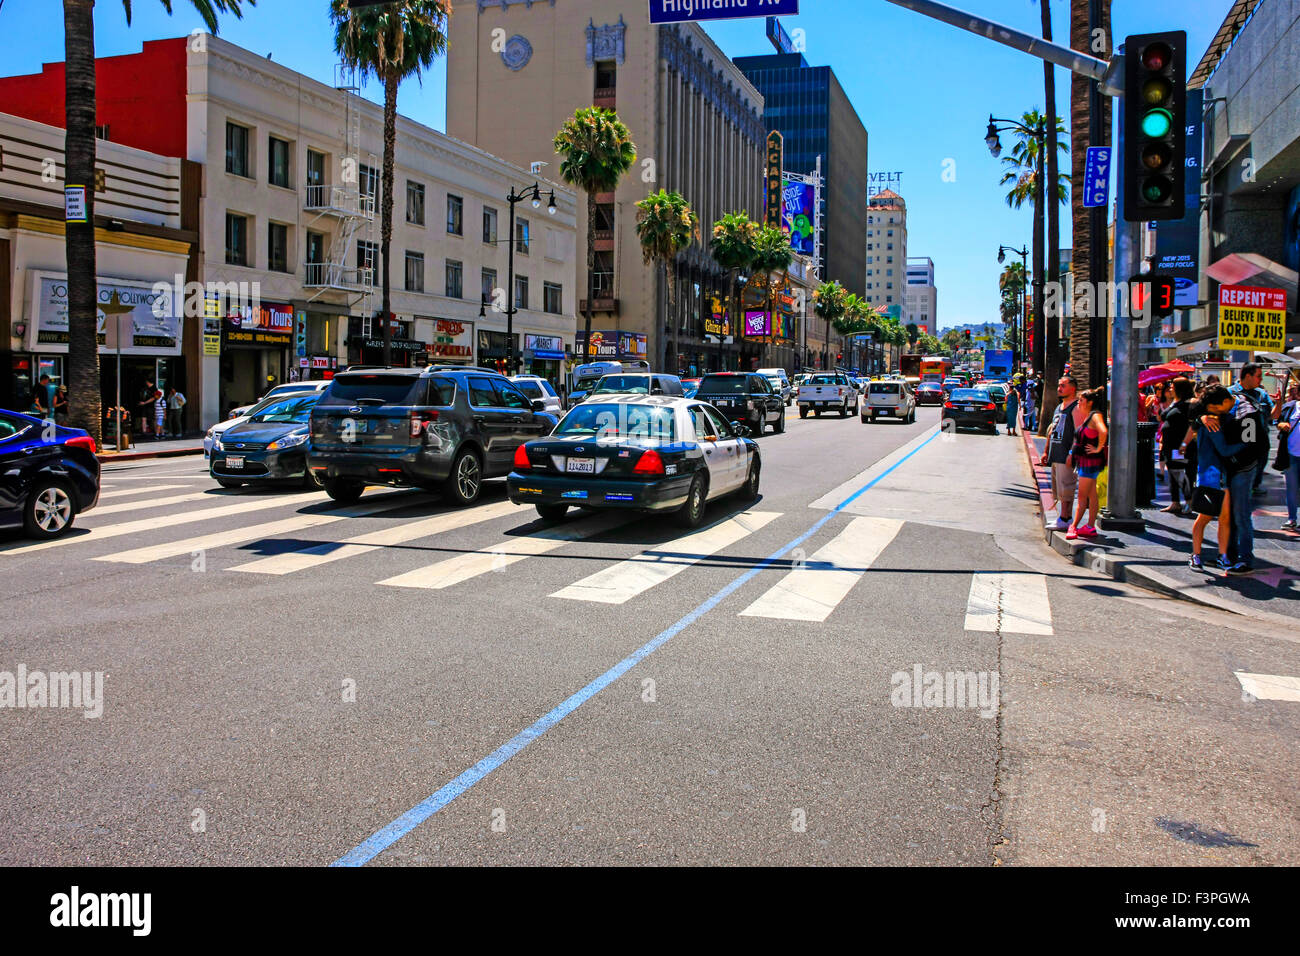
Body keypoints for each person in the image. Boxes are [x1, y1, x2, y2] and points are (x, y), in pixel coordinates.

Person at [1184, 386, 1249, 572]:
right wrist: (1247, 443)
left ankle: (1220, 556)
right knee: (1207, 517)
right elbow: (1224, 450)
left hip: (1217, 477)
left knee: (1221, 518)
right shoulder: (1211, 423)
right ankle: (1197, 555)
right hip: (1212, 478)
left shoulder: (1213, 420)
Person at [1066, 387, 1109, 539]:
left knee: (1082, 496)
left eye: (1081, 400)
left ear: (1090, 402)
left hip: (1089, 463)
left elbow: (1103, 431)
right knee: (1092, 495)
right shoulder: (1088, 417)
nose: (1079, 403)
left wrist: (1098, 448)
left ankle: (1073, 526)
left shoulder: (1095, 416)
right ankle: (1090, 526)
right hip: (1086, 462)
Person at [1039, 375, 1080, 531]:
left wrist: (1072, 452)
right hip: (1056, 453)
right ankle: (1065, 518)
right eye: (1059, 385)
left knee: (1066, 488)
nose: (1059, 388)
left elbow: (1078, 432)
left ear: (1073, 387)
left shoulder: (1075, 407)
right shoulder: (1059, 407)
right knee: (1059, 489)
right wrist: (1045, 451)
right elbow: (1052, 431)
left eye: (1063, 385)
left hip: (1066, 455)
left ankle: (1064, 518)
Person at [1228, 362, 1274, 496]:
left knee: (1254, 471)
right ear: (1248, 376)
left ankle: (1254, 485)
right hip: (1238, 443)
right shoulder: (1229, 392)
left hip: (1259, 442)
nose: (1261, 379)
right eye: (1258, 376)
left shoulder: (1261, 394)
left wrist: (1280, 402)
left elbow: (1273, 415)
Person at [1159, 378, 1197, 516]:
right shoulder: (1176, 403)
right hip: (1171, 445)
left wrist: (1184, 444)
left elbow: (1193, 425)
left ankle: (1189, 501)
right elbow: (1162, 417)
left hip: (1181, 447)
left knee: (1183, 474)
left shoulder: (1190, 404)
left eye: (1172, 386)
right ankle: (1175, 502)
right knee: (1174, 473)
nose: (1170, 388)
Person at [1277, 381, 1299, 532]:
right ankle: (1292, 518)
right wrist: (1282, 425)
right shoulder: (1290, 407)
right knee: (1291, 488)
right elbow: (1278, 421)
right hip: (1291, 454)